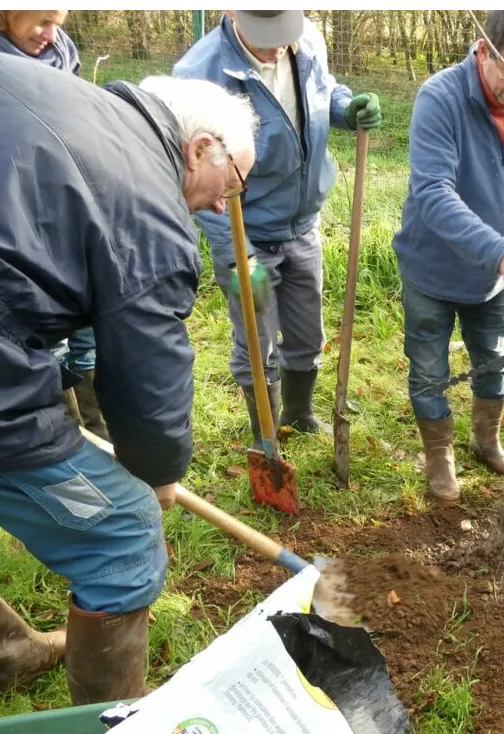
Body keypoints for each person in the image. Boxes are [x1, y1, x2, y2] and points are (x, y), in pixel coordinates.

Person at [0, 48, 258, 706]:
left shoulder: (4, 74)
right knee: (121, 531)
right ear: (201, 147)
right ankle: (110, 727)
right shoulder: (149, 209)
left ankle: (1, 655)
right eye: (230, 184)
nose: (219, 206)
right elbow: (148, 371)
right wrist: (156, 475)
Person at [173, 10, 382, 442]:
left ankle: (298, 414)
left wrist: (347, 109)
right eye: (264, 34)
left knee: (308, 331)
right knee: (255, 336)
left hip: (302, 225)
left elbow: (323, 93)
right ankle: (264, 432)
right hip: (245, 232)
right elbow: (201, 189)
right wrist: (238, 256)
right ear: (233, 11)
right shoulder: (199, 74)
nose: (276, 46)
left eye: (283, 32)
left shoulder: (305, 41)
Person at [392, 10, 504, 504]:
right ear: (482, 48)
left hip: (495, 281)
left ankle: (486, 440)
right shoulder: (440, 97)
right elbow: (433, 192)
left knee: (494, 361)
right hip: (432, 271)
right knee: (428, 368)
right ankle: (439, 457)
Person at [0, 9, 111, 441]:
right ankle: (69, 426)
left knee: (87, 324)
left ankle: (99, 425)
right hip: (5, 218)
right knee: (46, 334)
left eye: (58, 20)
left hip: (63, 204)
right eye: (41, 21)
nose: (52, 33)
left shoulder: (59, 47)